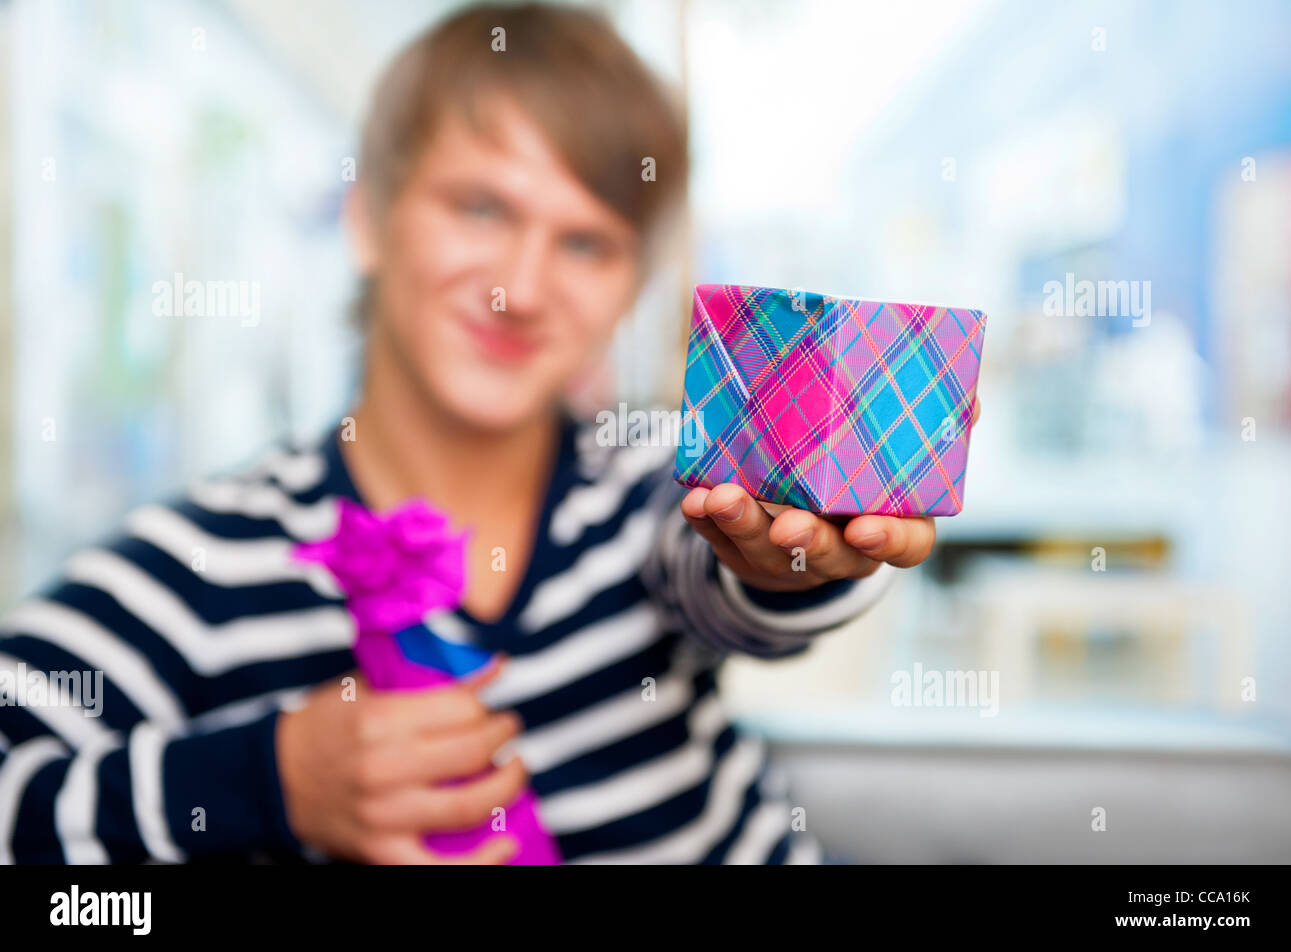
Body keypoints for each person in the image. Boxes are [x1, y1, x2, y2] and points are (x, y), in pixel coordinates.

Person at [0, 2, 969, 864]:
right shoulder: (204, 563)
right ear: (368, 217)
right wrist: (268, 781)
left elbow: (739, 580)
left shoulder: (646, 489)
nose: (523, 286)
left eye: (585, 242)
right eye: (480, 207)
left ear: (626, 287)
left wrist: (791, 562)